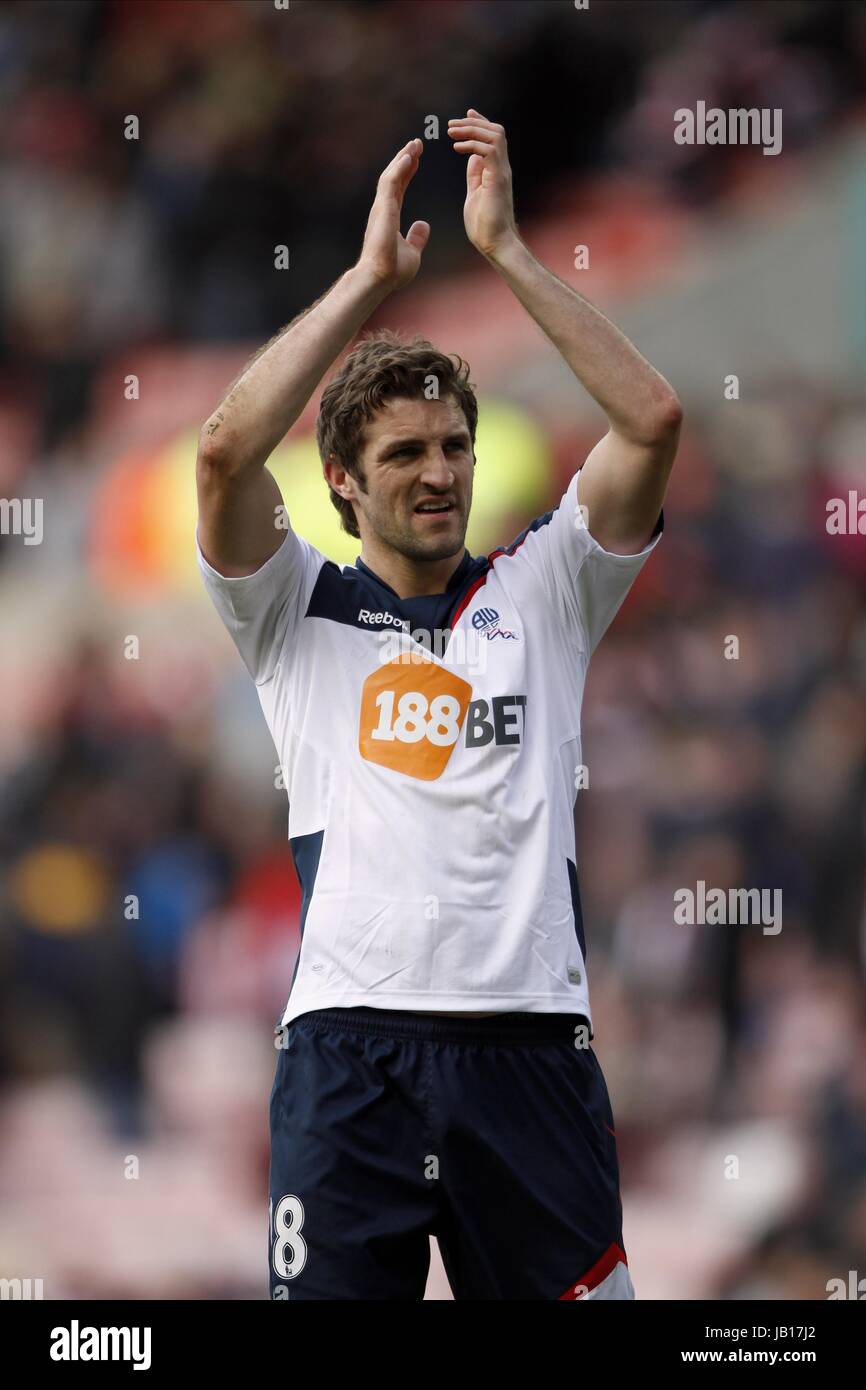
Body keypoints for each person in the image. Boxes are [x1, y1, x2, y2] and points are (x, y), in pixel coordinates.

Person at [195, 110, 681, 1300]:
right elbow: (219, 452)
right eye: (405, 451)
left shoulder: (547, 588)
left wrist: (510, 253)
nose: (438, 471)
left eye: (453, 445)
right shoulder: (290, 610)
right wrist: (367, 284)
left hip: (529, 1045)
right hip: (349, 1049)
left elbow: (652, 420)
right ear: (343, 482)